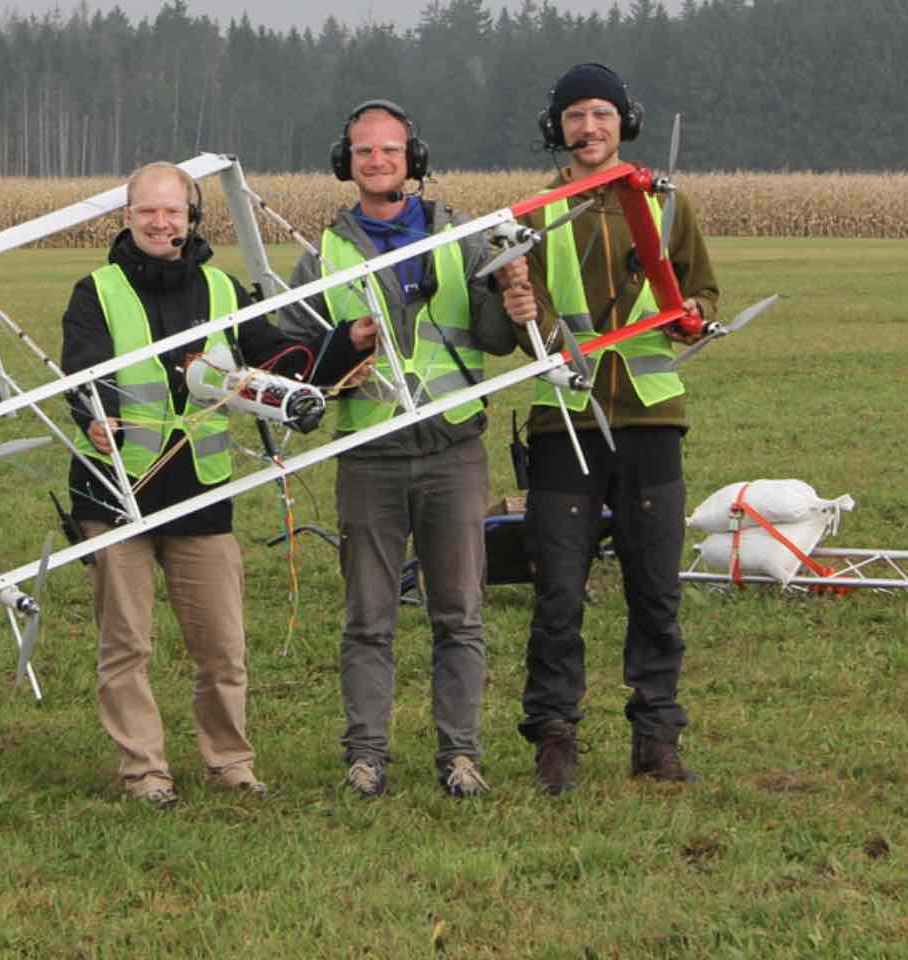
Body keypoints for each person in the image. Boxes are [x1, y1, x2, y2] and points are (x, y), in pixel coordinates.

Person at [61, 161, 375, 807]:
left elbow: (285, 359)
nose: (159, 222)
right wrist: (93, 417)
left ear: (191, 217)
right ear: (127, 216)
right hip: (117, 495)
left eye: (172, 211)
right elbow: (80, 375)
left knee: (223, 649)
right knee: (127, 646)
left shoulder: (223, 289)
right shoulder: (94, 291)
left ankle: (228, 761)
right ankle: (144, 772)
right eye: (147, 211)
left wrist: (347, 342)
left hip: (201, 494)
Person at [278, 100, 524, 798]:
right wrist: (341, 346)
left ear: (411, 157)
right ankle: (365, 758)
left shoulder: (463, 239)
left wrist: (512, 293)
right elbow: (297, 364)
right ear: (344, 163)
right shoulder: (320, 256)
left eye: (389, 150)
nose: (376, 161)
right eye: (363, 152)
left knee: (459, 612)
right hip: (368, 456)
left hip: (453, 450)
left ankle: (460, 757)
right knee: (368, 618)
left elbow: (499, 342)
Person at [508, 63, 719, 794]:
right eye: (573, 117)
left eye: (600, 114)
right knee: (558, 591)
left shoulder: (664, 203)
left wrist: (692, 313)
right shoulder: (534, 213)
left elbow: (704, 290)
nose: (587, 128)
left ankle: (655, 734)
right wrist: (513, 305)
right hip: (562, 420)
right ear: (556, 129)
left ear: (621, 121)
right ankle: (554, 734)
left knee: (654, 589)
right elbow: (513, 322)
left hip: (650, 419)